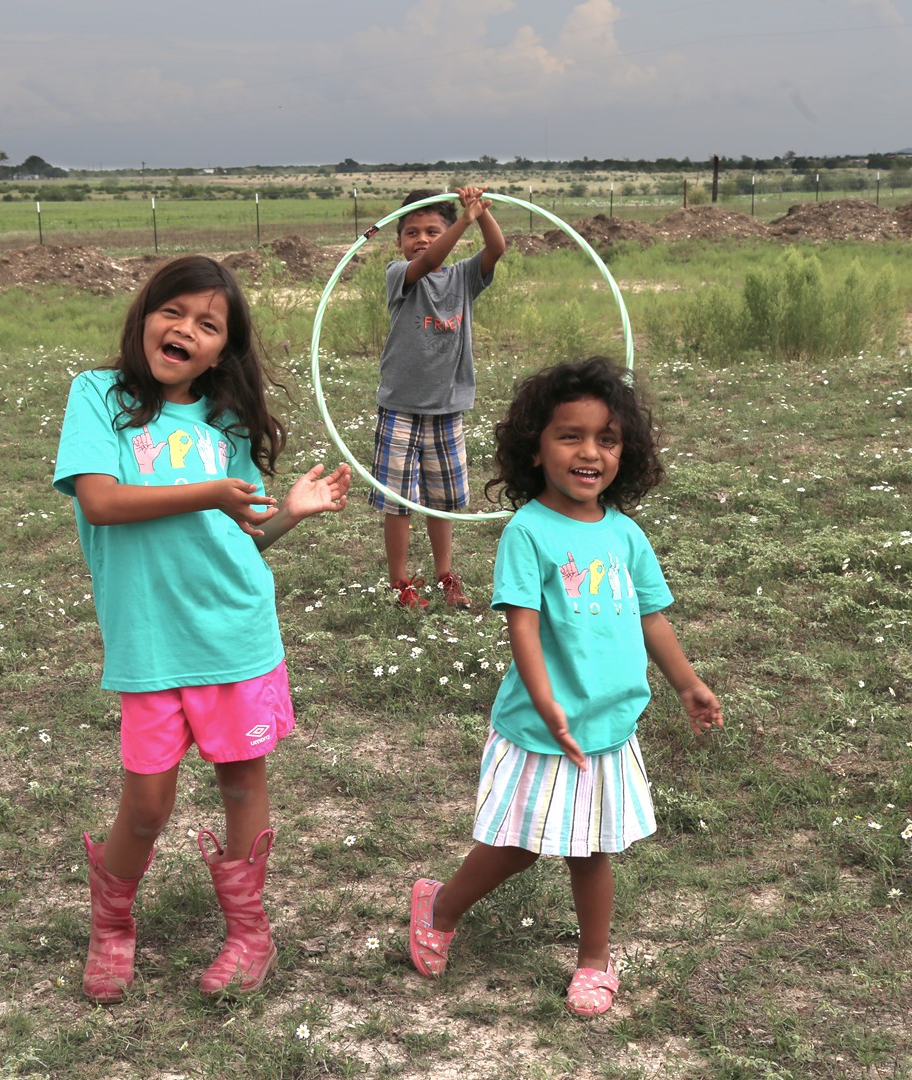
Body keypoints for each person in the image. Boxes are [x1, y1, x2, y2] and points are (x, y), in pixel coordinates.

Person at [53, 255, 352, 1003]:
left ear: (223, 351)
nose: (185, 329)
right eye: (173, 311)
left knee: (242, 786)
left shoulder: (226, 424)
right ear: (145, 317)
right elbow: (101, 502)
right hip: (151, 643)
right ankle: (111, 927)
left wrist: (289, 512)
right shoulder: (99, 397)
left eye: (208, 324)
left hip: (235, 635)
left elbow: (239, 536)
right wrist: (211, 493)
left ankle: (250, 934)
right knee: (146, 806)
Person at [406, 356, 724, 1016]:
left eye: (607, 439)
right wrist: (546, 699)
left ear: (625, 453)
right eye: (570, 435)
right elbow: (522, 625)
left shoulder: (625, 534)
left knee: (593, 851)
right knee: (516, 847)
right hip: (541, 726)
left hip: (607, 725)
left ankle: (594, 961)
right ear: (535, 446)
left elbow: (651, 617)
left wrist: (688, 683)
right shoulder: (529, 532)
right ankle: (439, 907)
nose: (589, 452)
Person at [371, 184, 506, 611]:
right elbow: (430, 261)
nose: (422, 240)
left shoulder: (464, 277)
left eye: (433, 231)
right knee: (399, 501)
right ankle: (399, 582)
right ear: (398, 241)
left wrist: (479, 212)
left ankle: (445, 573)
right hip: (401, 406)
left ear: (448, 233)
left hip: (447, 408)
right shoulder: (399, 274)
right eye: (412, 232)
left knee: (442, 502)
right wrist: (463, 221)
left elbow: (497, 248)